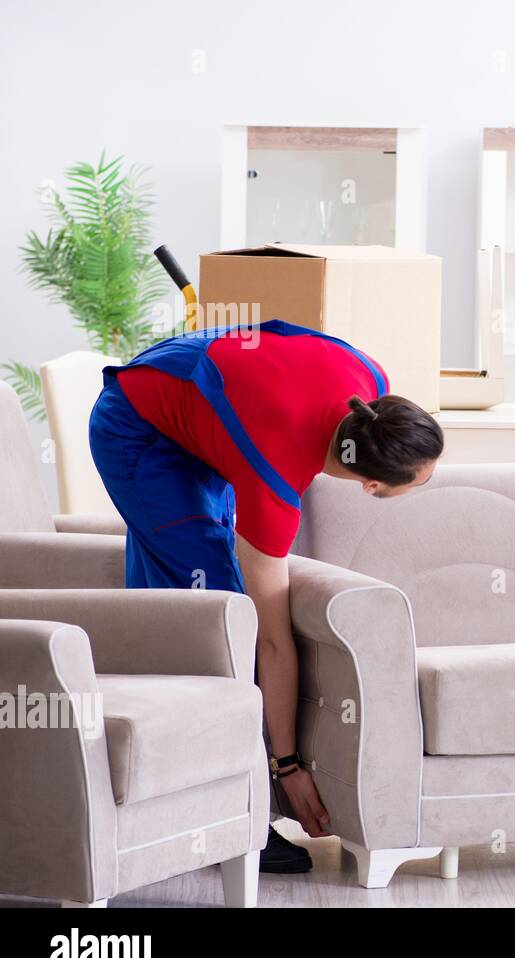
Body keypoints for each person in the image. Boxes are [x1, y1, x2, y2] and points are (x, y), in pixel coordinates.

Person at [88, 318, 444, 872]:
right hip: (136, 426)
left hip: (198, 392)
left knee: (176, 589)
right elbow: (273, 642)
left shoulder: (370, 382)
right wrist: (288, 766)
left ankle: (166, 797)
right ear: (370, 485)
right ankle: (230, 816)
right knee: (219, 612)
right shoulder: (273, 479)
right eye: (417, 481)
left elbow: (277, 334)